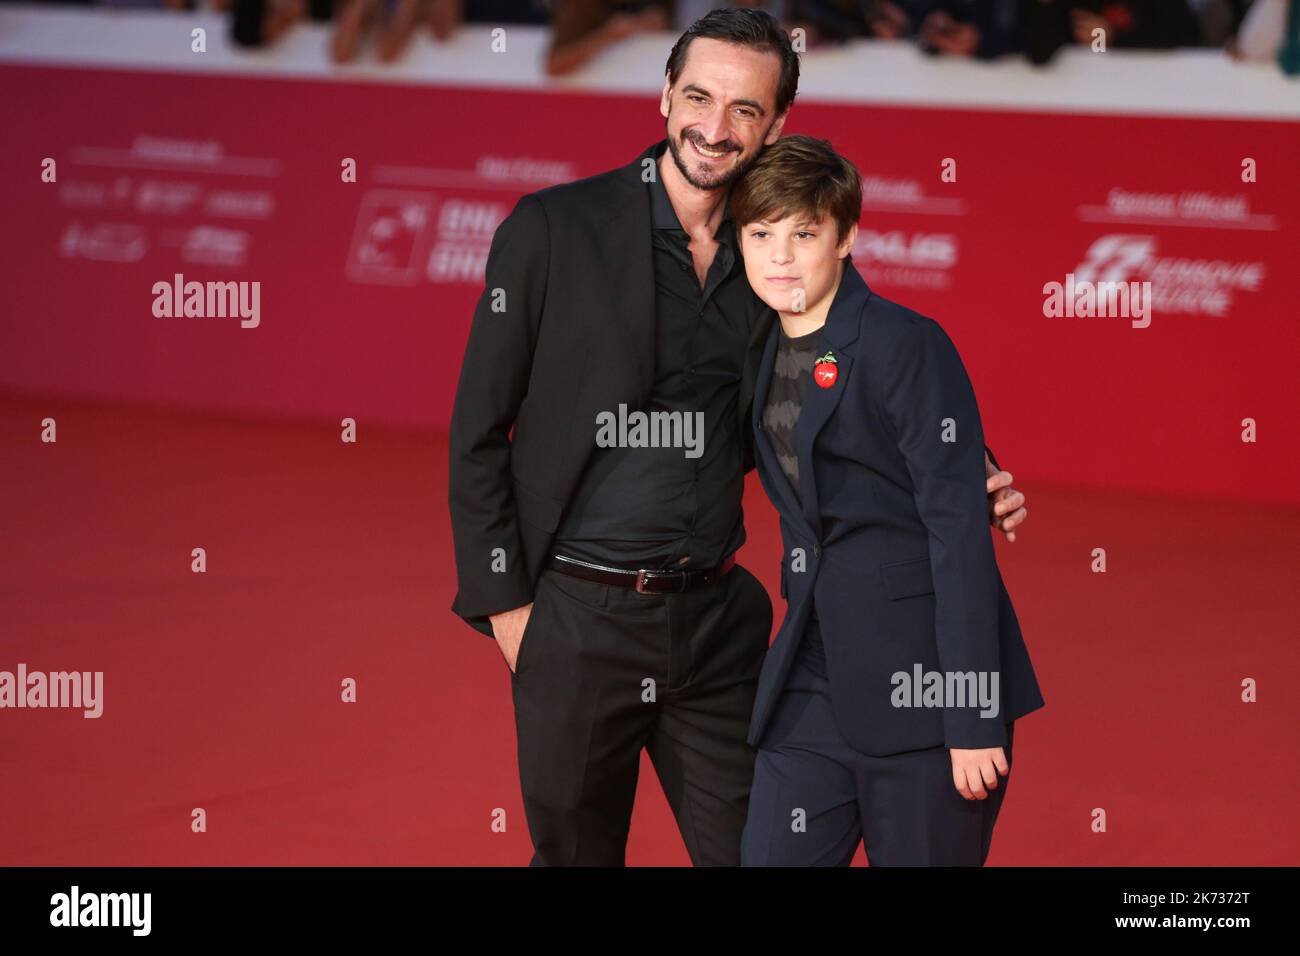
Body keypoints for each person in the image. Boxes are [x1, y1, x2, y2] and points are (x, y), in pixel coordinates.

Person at [447, 8, 1029, 867]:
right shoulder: (552, 230)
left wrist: (963, 463)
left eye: (745, 110)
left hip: (718, 628)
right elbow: (476, 430)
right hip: (577, 619)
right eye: (698, 98)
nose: (715, 129)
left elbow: (862, 357)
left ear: (776, 125)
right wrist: (507, 611)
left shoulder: (773, 252)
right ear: (663, 99)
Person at [729, 135, 1045, 866]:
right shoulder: (760, 343)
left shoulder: (903, 341)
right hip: (809, 680)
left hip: (925, 695)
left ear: (847, 239)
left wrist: (971, 717)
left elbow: (956, 538)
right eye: (761, 234)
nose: (780, 256)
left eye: (803, 233)